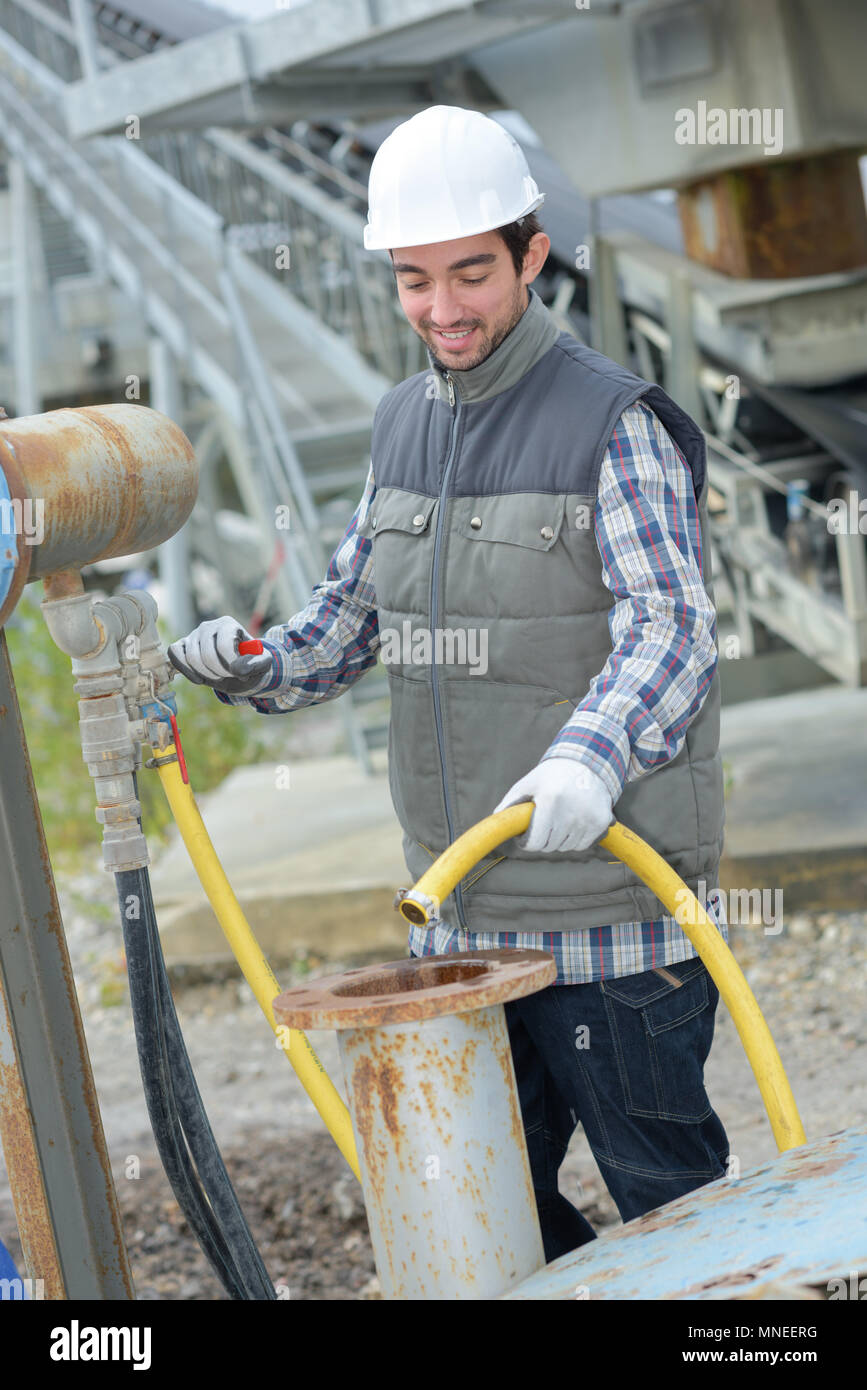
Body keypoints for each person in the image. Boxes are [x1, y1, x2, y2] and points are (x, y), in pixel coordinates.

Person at [169, 105, 730, 1262]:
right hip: (458, 930)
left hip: (610, 932)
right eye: (414, 280)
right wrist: (255, 665)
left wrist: (594, 753)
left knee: (681, 1226)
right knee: (482, 1218)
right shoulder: (401, 427)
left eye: (471, 273)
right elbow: (347, 622)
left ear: (532, 255)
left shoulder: (611, 423)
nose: (443, 309)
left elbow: (675, 628)